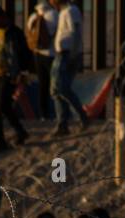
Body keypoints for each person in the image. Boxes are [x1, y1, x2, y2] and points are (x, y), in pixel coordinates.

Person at [0, 6, 32, 150]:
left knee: (2, 104)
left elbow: (24, 53)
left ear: (2, 17)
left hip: (8, 74)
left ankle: (20, 131)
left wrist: (22, 72)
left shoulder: (14, 33)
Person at [49, 0, 88, 135]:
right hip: (63, 54)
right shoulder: (65, 11)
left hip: (66, 55)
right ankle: (62, 124)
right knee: (56, 90)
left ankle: (82, 117)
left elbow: (75, 33)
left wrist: (73, 54)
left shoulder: (71, 11)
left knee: (61, 89)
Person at [25, 1, 58, 119]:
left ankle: (43, 114)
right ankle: (57, 112)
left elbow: (29, 35)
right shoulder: (54, 14)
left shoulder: (33, 17)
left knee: (42, 86)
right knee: (55, 85)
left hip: (37, 54)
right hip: (51, 54)